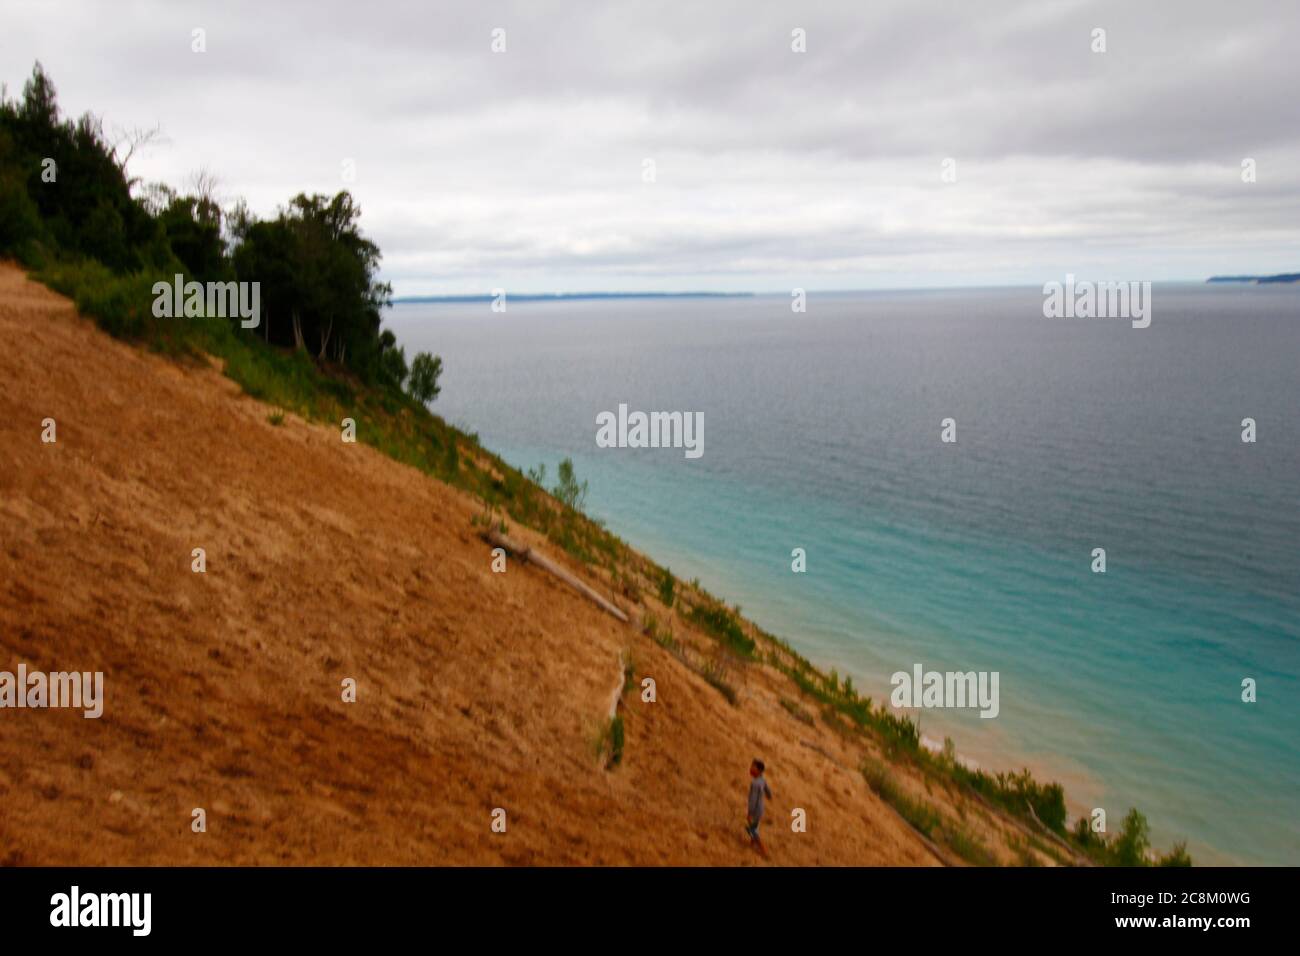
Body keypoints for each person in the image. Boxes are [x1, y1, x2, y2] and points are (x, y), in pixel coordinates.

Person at [745, 758, 773, 855]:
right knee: (754, 826)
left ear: (759, 771)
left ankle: (762, 848)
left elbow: (752, 800)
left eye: (753, 767)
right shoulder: (762, 780)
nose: (751, 769)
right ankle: (752, 843)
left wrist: (749, 812)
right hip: (761, 809)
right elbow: (768, 790)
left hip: (755, 810)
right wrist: (769, 796)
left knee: (752, 828)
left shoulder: (754, 783)